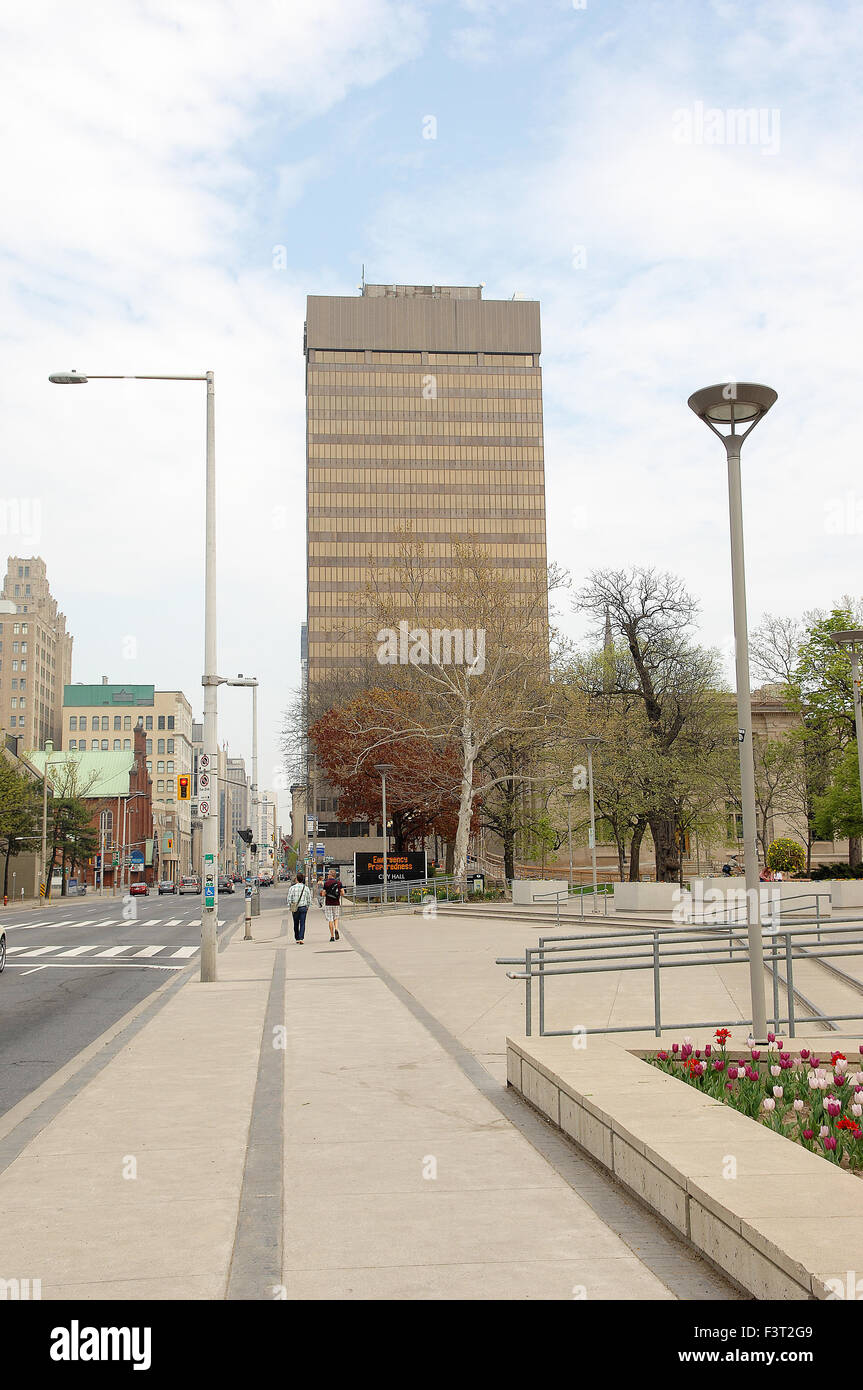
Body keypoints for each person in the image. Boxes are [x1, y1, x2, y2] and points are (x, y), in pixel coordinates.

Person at [320, 866, 345, 942]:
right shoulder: (339, 883)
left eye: (328, 874)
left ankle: (332, 936)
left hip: (328, 903)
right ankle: (336, 928)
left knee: (330, 919)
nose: (327, 875)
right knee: (336, 918)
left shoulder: (326, 883)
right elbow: (343, 893)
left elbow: (323, 894)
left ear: (331, 875)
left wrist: (324, 894)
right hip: (336, 903)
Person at [287, 872, 311, 943]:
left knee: (296, 923)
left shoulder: (292, 888)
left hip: (295, 908)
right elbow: (309, 898)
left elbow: (289, 898)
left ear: (297, 879)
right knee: (302, 923)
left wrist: (290, 905)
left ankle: (297, 938)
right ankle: (301, 938)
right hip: (303, 907)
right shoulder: (306, 888)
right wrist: (308, 906)